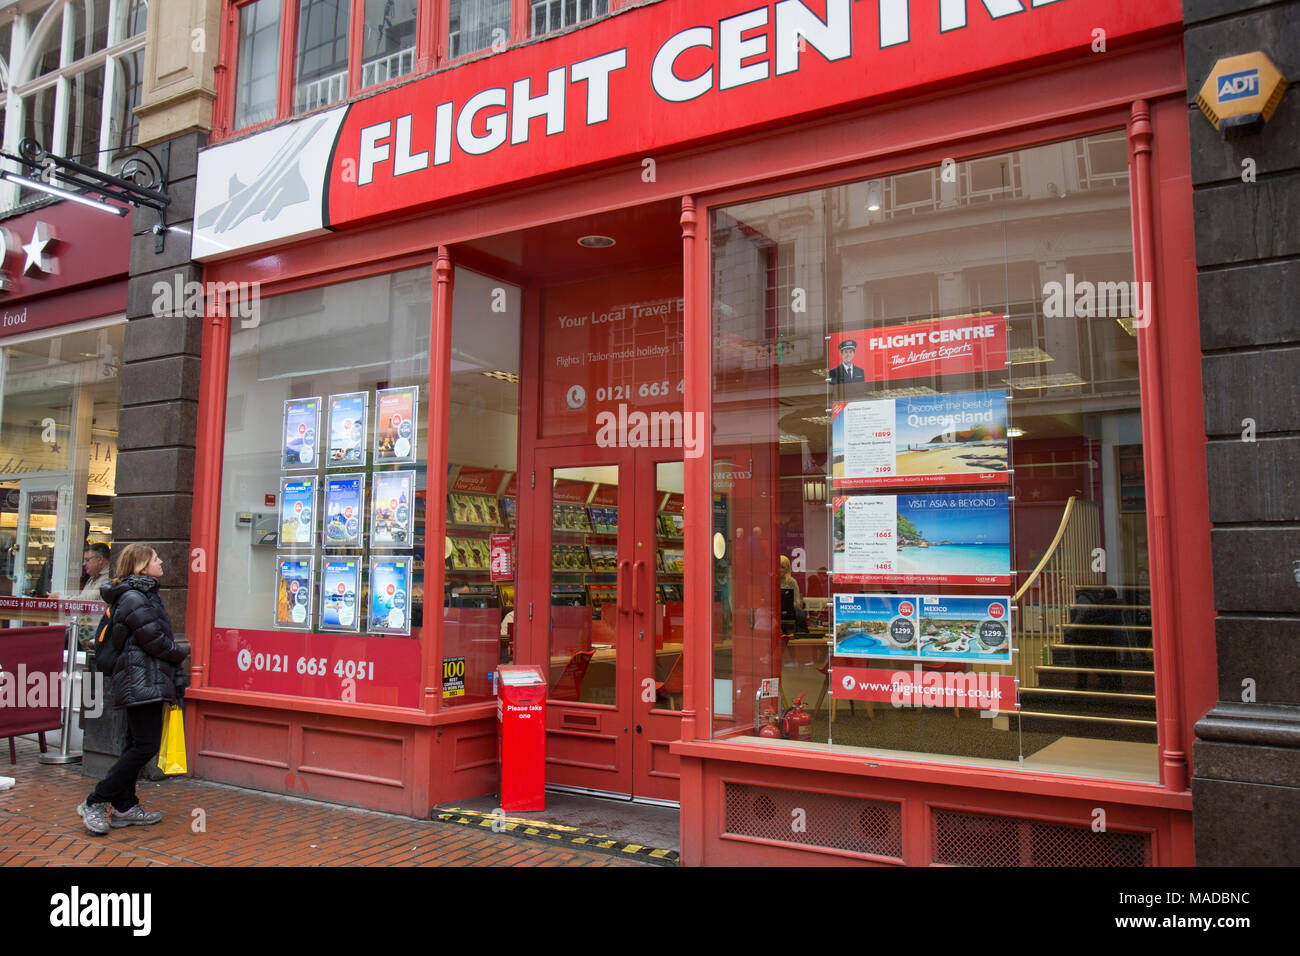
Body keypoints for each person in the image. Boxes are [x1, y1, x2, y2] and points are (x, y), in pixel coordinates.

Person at [77, 544, 189, 836]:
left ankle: (125, 806)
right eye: (155, 558)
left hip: (144, 677)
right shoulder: (134, 597)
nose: (162, 561)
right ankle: (96, 800)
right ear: (141, 565)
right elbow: (153, 639)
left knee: (134, 744)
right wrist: (180, 654)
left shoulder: (140, 595)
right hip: (142, 679)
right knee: (145, 746)